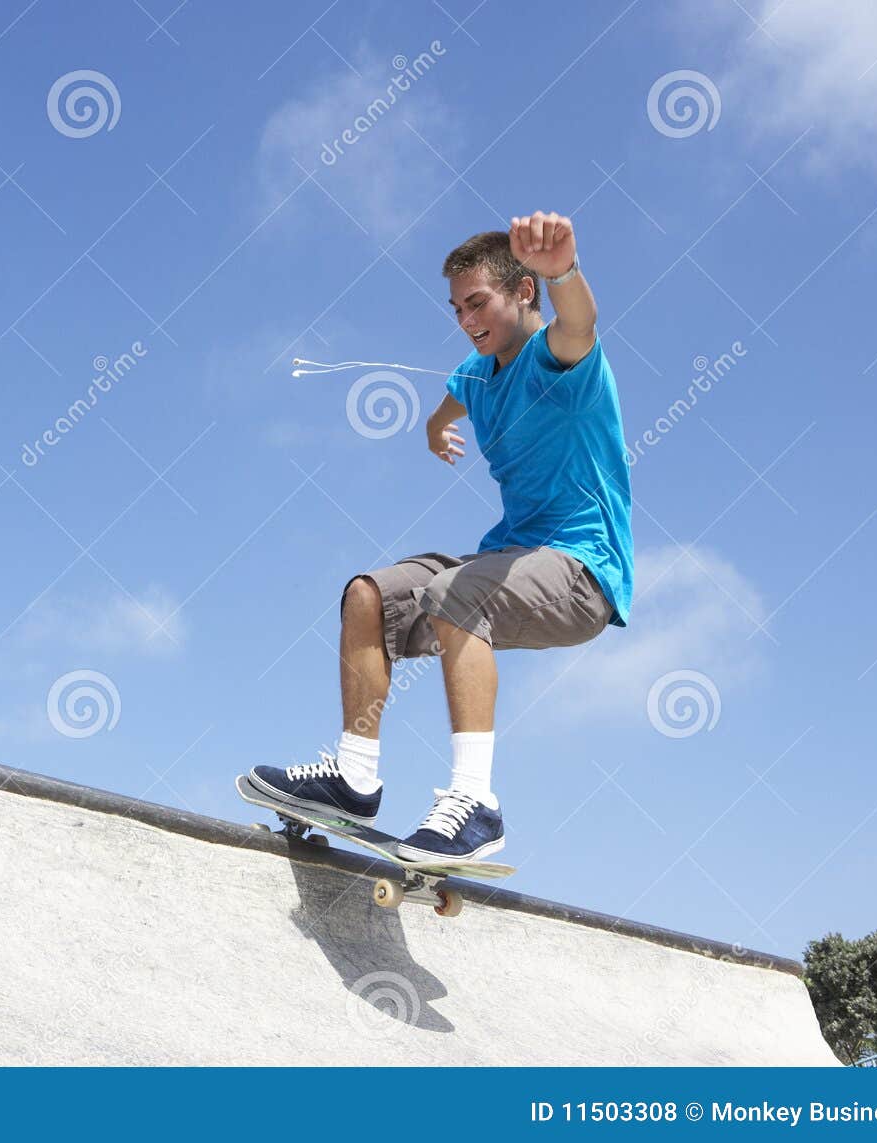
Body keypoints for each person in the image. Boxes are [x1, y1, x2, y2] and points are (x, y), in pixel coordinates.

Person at [249, 214, 634, 862]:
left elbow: (580, 326)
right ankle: (354, 778)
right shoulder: (476, 372)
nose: (466, 320)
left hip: (581, 572)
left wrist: (564, 269)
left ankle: (476, 801)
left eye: (478, 303)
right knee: (369, 595)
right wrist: (435, 425)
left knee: (459, 592)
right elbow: (453, 396)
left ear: (523, 293)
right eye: (456, 309)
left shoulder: (562, 363)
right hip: (510, 559)